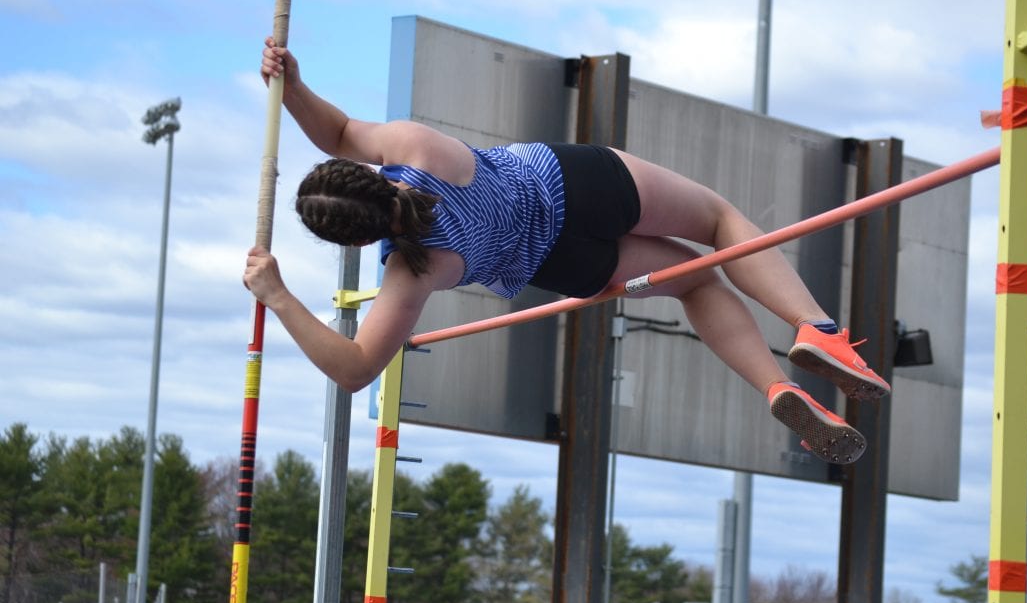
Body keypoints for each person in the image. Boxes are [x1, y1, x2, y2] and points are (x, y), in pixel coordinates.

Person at [245, 38, 891, 464]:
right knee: (719, 222)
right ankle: (819, 330)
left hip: (557, 263)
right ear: (361, 172)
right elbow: (335, 132)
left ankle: (775, 384)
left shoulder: (409, 271)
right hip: (569, 185)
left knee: (697, 284)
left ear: (356, 239)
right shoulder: (410, 146)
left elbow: (356, 368)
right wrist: (294, 84)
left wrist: (279, 297)